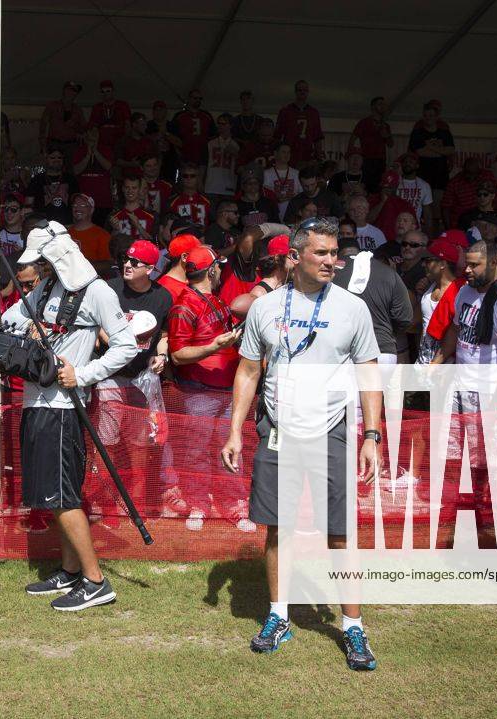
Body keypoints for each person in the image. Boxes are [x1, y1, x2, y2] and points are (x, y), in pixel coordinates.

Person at [219, 215, 382, 670]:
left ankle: (353, 626)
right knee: (278, 526)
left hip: (330, 428)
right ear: (295, 257)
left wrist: (371, 434)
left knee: (338, 531)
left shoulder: (352, 308)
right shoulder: (266, 309)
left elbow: (369, 373)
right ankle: (278, 615)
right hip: (277, 430)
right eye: (323, 253)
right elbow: (248, 370)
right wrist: (235, 428)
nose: (334, 261)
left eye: (336, 253)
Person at [2, 221, 137, 611]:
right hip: (36, 401)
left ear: (58, 256)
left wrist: (84, 374)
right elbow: (12, 319)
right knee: (53, 493)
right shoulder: (45, 288)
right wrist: (16, 334)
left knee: (63, 496)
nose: (38, 269)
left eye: (43, 261)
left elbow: (125, 345)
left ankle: (95, 582)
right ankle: (70, 570)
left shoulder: (98, 292)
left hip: (63, 408)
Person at [168, 245, 246, 531]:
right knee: (196, 452)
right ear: (211, 269)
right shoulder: (184, 304)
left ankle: (234, 504)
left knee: (231, 447)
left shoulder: (216, 300)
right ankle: (199, 504)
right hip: (199, 391)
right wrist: (214, 346)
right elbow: (177, 354)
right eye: (218, 266)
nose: (221, 271)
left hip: (227, 389)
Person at [94, 240, 173, 514]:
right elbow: (95, 325)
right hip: (109, 375)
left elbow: (163, 335)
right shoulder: (110, 288)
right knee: (108, 441)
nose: (127, 265)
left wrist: (162, 356)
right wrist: (115, 347)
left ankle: (136, 500)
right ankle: (105, 502)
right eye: (126, 259)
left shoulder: (162, 297)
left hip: (141, 378)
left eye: (135, 262)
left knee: (140, 444)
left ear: (150, 269)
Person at [432, 239, 497, 366]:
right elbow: (456, 330)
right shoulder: (465, 290)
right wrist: (435, 363)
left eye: (474, 265)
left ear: (493, 263)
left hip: (490, 383)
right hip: (460, 381)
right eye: (467, 264)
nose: (467, 270)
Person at [334, 239, 413, 364]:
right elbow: (404, 318)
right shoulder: (388, 272)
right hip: (383, 350)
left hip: (343, 349)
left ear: (336, 254)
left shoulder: (330, 273)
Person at [275, 80, 324, 167]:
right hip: (289, 155)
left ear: (307, 92)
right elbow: (278, 136)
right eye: (299, 90)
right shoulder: (286, 111)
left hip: (307, 155)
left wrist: (318, 158)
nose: (302, 92)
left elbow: (317, 137)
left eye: (304, 90)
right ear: (295, 92)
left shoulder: (313, 112)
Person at [348, 96, 393, 191]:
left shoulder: (385, 125)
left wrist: (387, 135)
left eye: (384, 105)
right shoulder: (364, 123)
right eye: (380, 104)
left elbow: (390, 144)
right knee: (365, 185)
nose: (383, 107)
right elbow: (353, 138)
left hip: (380, 160)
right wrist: (350, 154)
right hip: (366, 159)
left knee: (379, 186)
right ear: (373, 106)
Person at [27, 148, 77, 226]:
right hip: (43, 225)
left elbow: (76, 202)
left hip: (67, 224)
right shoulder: (37, 179)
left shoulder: (71, 179)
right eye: (52, 158)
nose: (56, 160)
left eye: (59, 158)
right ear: (46, 159)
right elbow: (28, 204)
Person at [68, 193, 112, 274]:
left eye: (83, 205)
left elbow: (108, 265)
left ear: (91, 210)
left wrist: (80, 266)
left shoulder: (102, 235)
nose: (77, 208)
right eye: (75, 205)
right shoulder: (66, 234)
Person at [39, 81, 86, 157]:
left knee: (70, 167)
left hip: (71, 145)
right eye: (71, 90)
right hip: (54, 144)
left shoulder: (78, 110)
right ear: (65, 90)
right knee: (53, 166)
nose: (73, 93)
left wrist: (75, 127)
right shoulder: (52, 106)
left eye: (75, 91)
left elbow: (83, 128)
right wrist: (43, 144)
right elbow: (43, 125)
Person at [368, 171, 417, 242]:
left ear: (396, 186)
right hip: (375, 242)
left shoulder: (405, 204)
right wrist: (382, 202)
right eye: (385, 187)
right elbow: (368, 220)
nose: (387, 190)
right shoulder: (373, 200)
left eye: (390, 187)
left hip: (397, 243)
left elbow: (414, 227)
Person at [172, 89, 215, 170]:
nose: (198, 100)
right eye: (195, 98)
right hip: (184, 159)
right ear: (189, 98)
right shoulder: (179, 116)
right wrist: (179, 154)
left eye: (200, 98)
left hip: (203, 159)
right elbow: (173, 137)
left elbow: (213, 136)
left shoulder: (207, 116)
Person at [204, 114, 239, 201]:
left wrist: (236, 154)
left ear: (230, 125)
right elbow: (203, 163)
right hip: (211, 187)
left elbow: (241, 165)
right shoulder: (210, 142)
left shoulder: (237, 144)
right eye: (219, 123)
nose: (221, 126)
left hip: (229, 187)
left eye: (224, 124)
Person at [88, 79, 131, 150]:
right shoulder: (97, 107)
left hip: (119, 141)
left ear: (113, 91)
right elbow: (93, 126)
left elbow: (128, 124)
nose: (105, 94)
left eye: (108, 91)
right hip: (102, 142)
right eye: (102, 92)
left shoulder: (122, 105)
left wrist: (125, 139)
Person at [109, 176, 155, 242]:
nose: (130, 191)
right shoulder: (113, 216)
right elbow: (108, 243)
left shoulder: (152, 215)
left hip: (141, 252)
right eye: (127, 187)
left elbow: (154, 243)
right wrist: (115, 230)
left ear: (139, 190)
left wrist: (138, 226)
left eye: (134, 188)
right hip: (122, 252)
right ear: (123, 189)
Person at [396, 152, 434, 231]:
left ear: (417, 166)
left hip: (415, 230)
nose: (407, 164)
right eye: (405, 162)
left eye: (411, 162)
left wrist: (430, 234)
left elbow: (427, 213)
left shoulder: (424, 185)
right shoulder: (395, 182)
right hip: (396, 228)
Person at [264, 144, 302, 222]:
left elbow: (301, 195)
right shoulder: (267, 173)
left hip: (292, 217)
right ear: (275, 153)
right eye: (283, 152)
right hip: (273, 216)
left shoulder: (296, 173)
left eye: (288, 152)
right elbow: (265, 197)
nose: (287, 155)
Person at [157, 234, 200, 301]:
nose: (201, 258)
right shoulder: (165, 288)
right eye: (198, 254)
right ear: (184, 257)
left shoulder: (192, 281)